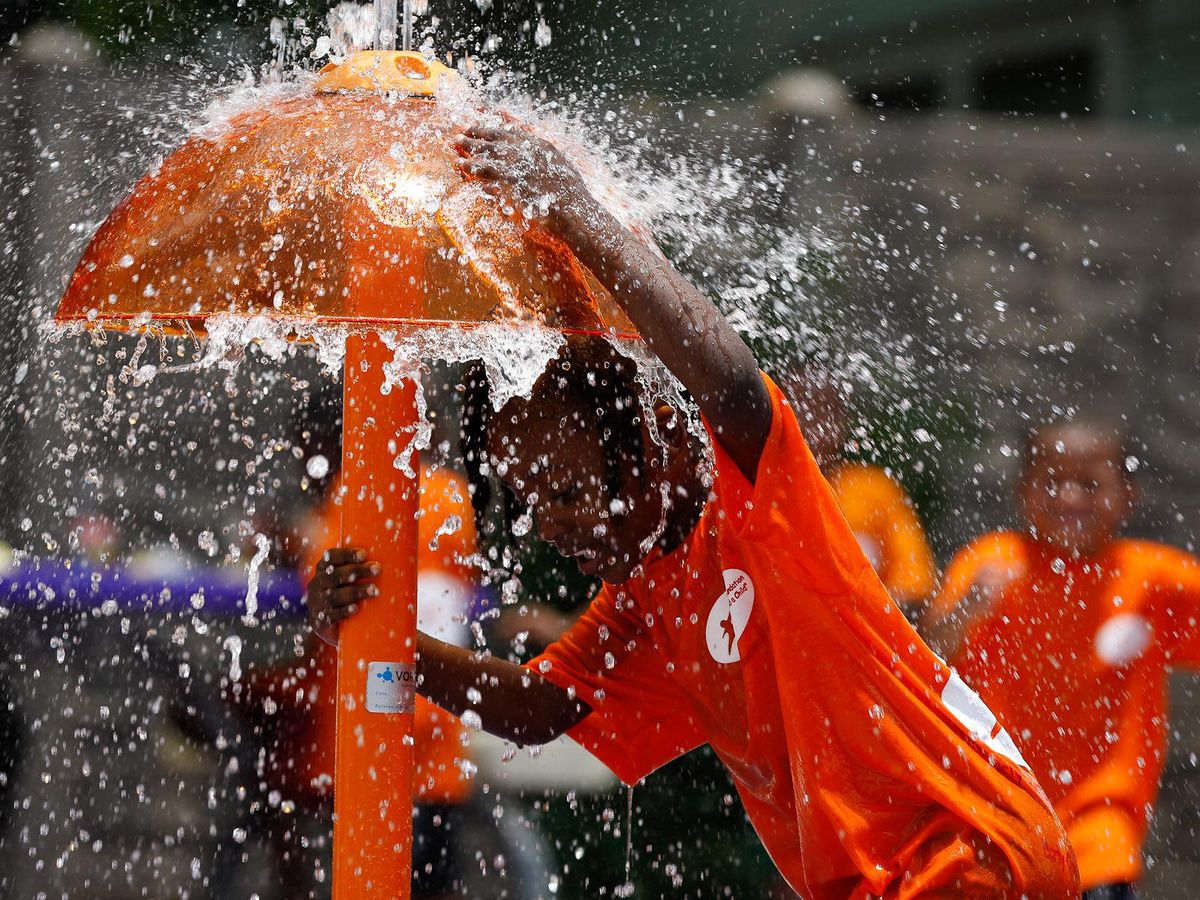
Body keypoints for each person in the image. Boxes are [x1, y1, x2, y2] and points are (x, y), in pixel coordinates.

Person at [307, 123, 1079, 899]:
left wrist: (572, 210)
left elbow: (735, 386)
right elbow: (540, 708)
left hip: (973, 848)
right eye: (530, 503)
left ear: (661, 438)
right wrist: (381, 634)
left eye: (569, 493)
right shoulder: (647, 595)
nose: (548, 527)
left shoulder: (759, 505)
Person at [921, 419, 1200, 899]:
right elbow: (924, 658)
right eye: (1052, 481)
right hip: (997, 818)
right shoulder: (993, 562)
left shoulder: (1150, 580)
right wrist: (968, 610)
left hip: (1100, 829)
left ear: (1127, 495)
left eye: (1090, 484)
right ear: (1023, 491)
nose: (1070, 497)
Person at [288, 456, 480, 899]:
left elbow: (321, 591)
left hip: (363, 750)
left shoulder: (354, 493)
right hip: (438, 752)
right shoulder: (450, 495)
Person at [784, 367, 938, 620]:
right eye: (799, 409)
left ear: (840, 421)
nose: (811, 423)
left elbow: (915, 587)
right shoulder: (765, 494)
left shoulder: (873, 490)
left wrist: (854, 618)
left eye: (823, 412)